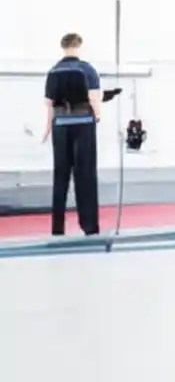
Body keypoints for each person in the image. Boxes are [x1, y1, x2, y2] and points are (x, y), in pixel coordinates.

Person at [41, 33, 104, 236]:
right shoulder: (87, 70)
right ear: (79, 46)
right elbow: (94, 98)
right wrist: (98, 117)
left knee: (60, 177)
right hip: (83, 125)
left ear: (63, 47)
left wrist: (47, 130)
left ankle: (57, 229)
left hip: (60, 126)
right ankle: (90, 227)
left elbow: (49, 106)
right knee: (85, 175)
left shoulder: (53, 71)